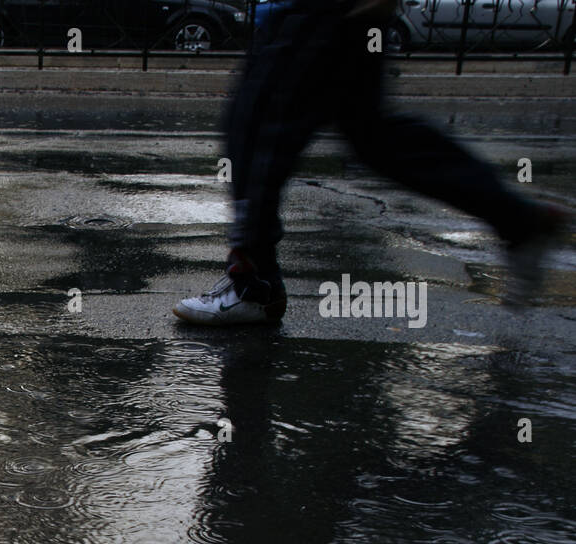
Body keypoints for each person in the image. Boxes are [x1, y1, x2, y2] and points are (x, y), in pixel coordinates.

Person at [174, 0, 568, 326]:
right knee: (375, 138)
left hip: (320, 12)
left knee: (257, 126)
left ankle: (252, 282)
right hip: (348, 14)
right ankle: (519, 219)